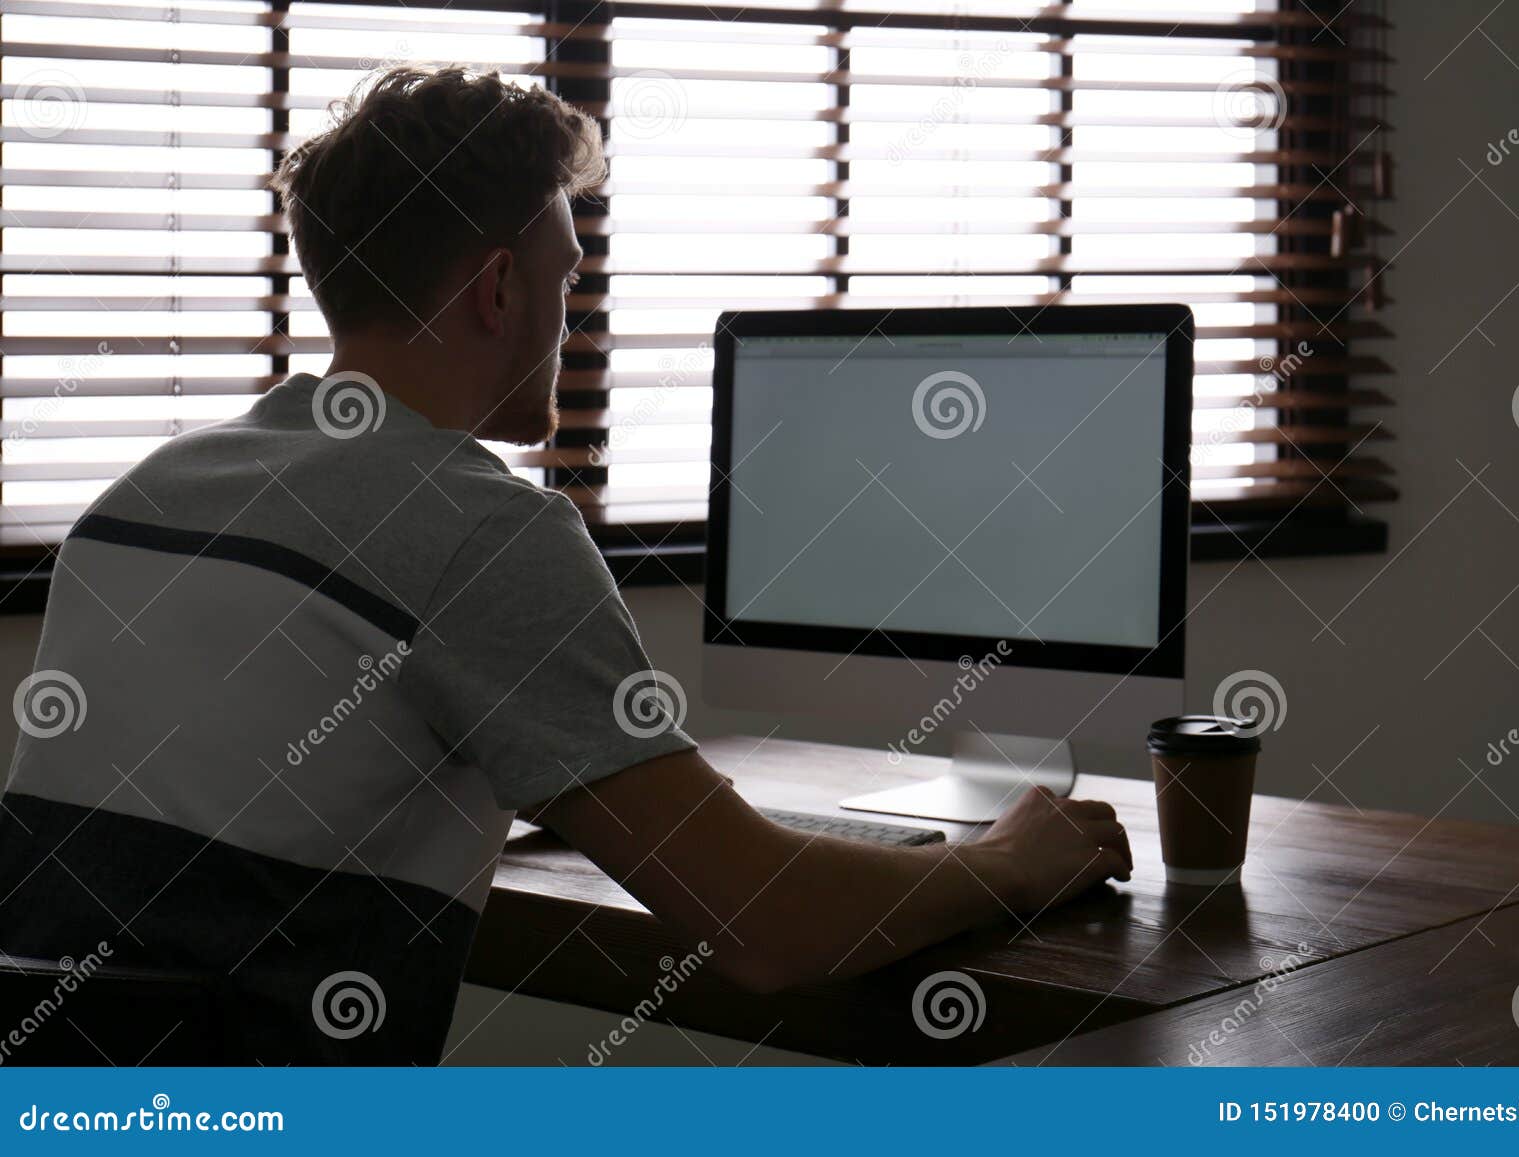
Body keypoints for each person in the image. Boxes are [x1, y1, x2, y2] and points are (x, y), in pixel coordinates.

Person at [0, 67, 1131, 1064]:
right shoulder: (483, 528)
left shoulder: (148, 491)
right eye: (571, 277)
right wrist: (1010, 863)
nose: (575, 316)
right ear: (499, 290)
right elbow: (767, 929)